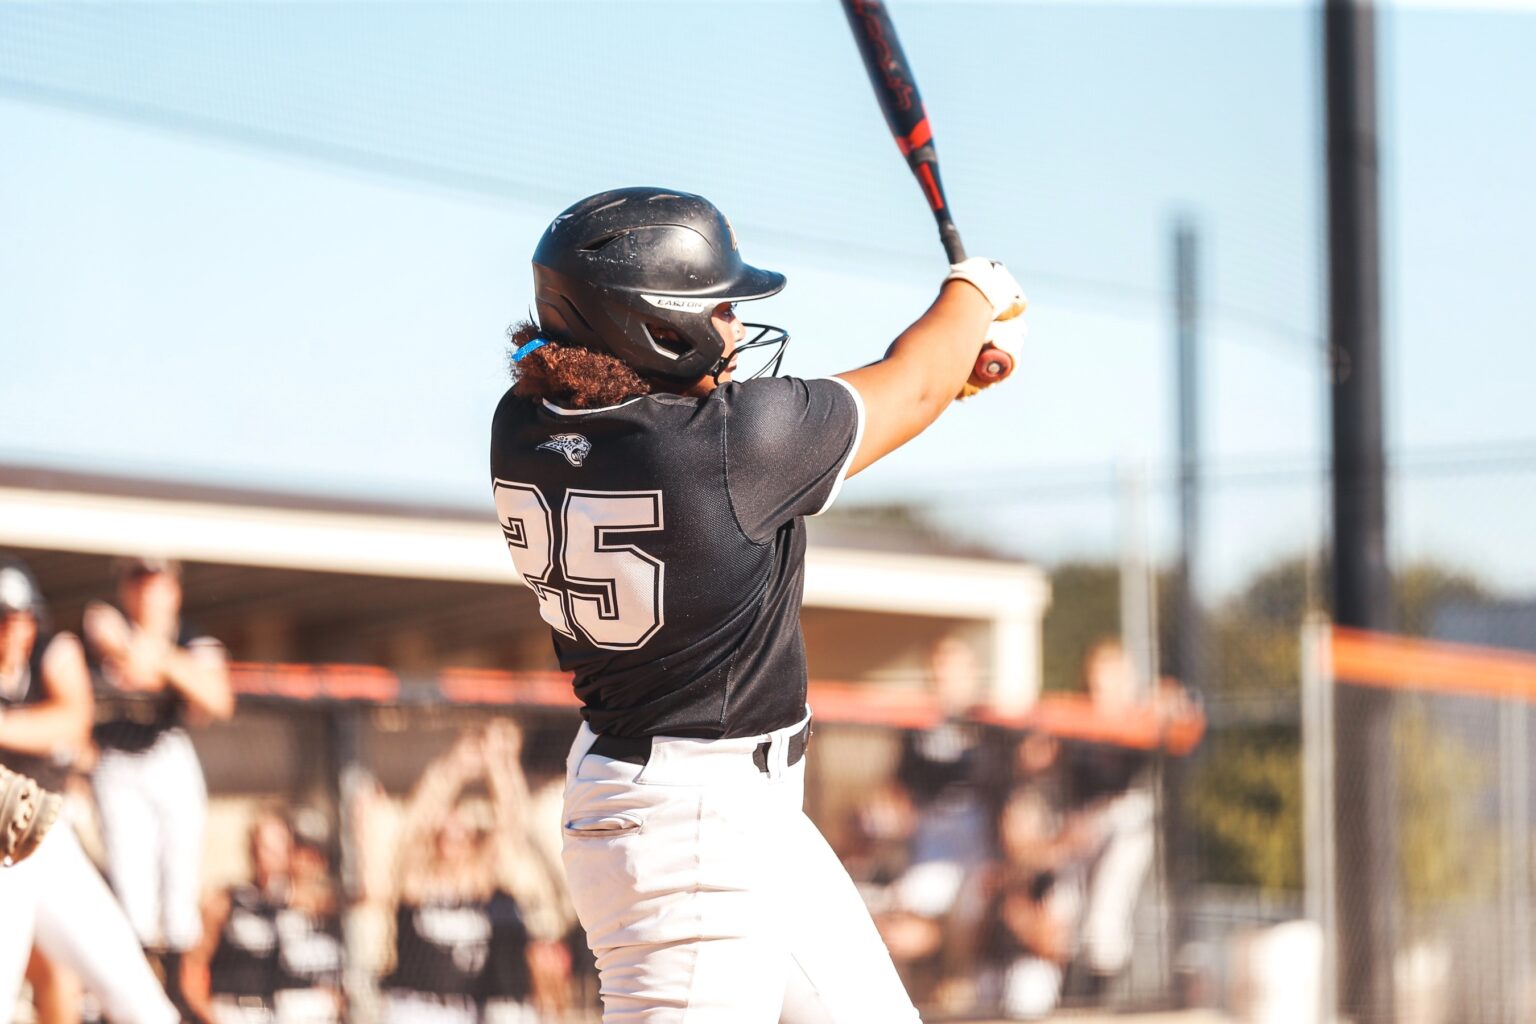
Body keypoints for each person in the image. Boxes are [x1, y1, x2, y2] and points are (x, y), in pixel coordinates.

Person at [488, 187, 1028, 1022]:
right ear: (656, 327)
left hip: (707, 803)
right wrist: (977, 292)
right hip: (691, 829)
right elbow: (914, 384)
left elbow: (914, 386)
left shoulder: (523, 422)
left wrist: (950, 360)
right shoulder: (731, 446)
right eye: (719, 307)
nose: (736, 327)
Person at [0, 556, 179, 1024]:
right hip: (0, 849)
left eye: (20, 619)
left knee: (138, 999)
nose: (12, 631)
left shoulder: (51, 650)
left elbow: (72, 720)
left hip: (48, 838)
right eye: (2, 620)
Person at [83, 555, 236, 1014]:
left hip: (165, 749)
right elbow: (125, 660)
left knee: (179, 884)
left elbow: (216, 699)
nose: (148, 594)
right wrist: (161, 665)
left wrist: (154, 656)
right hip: (115, 757)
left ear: (174, 590)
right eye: (139, 583)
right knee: (133, 892)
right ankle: (138, 997)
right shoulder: (102, 623)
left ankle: (178, 992)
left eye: (157, 584)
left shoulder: (190, 636)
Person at [373, 721, 565, 1024]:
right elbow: (418, 822)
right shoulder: (417, 879)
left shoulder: (477, 880)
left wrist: (500, 764)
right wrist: (455, 766)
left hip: (465, 1008)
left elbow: (510, 825)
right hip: (415, 1007)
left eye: (463, 834)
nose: (455, 839)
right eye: (446, 833)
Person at [187, 810, 344, 1024]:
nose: (266, 856)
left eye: (276, 848)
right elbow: (193, 967)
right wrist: (210, 1015)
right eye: (261, 847)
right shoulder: (227, 902)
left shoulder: (313, 906)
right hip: (236, 1012)